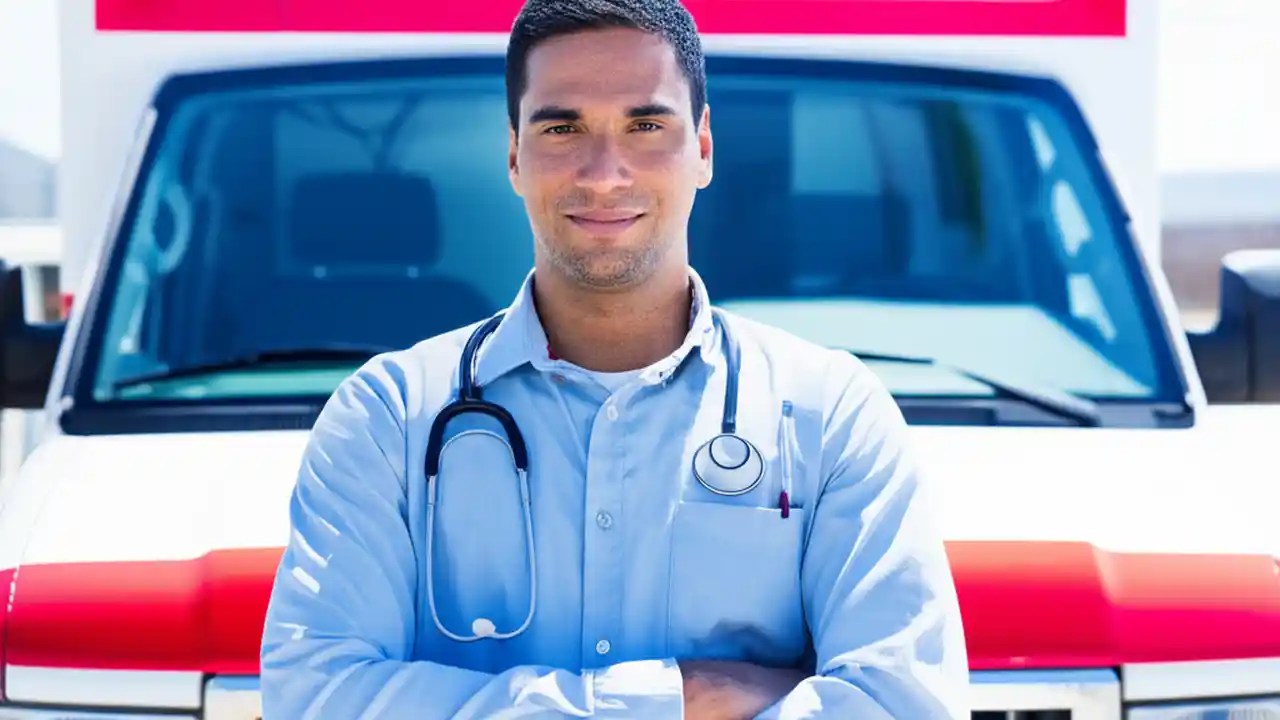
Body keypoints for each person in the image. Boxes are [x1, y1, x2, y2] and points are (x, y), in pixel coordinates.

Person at [258, 0, 969, 717]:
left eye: (646, 124)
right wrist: (679, 698)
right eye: (562, 127)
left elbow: (902, 705)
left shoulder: (831, 413)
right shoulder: (387, 419)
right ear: (513, 155)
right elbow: (314, 698)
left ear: (705, 148)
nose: (604, 173)